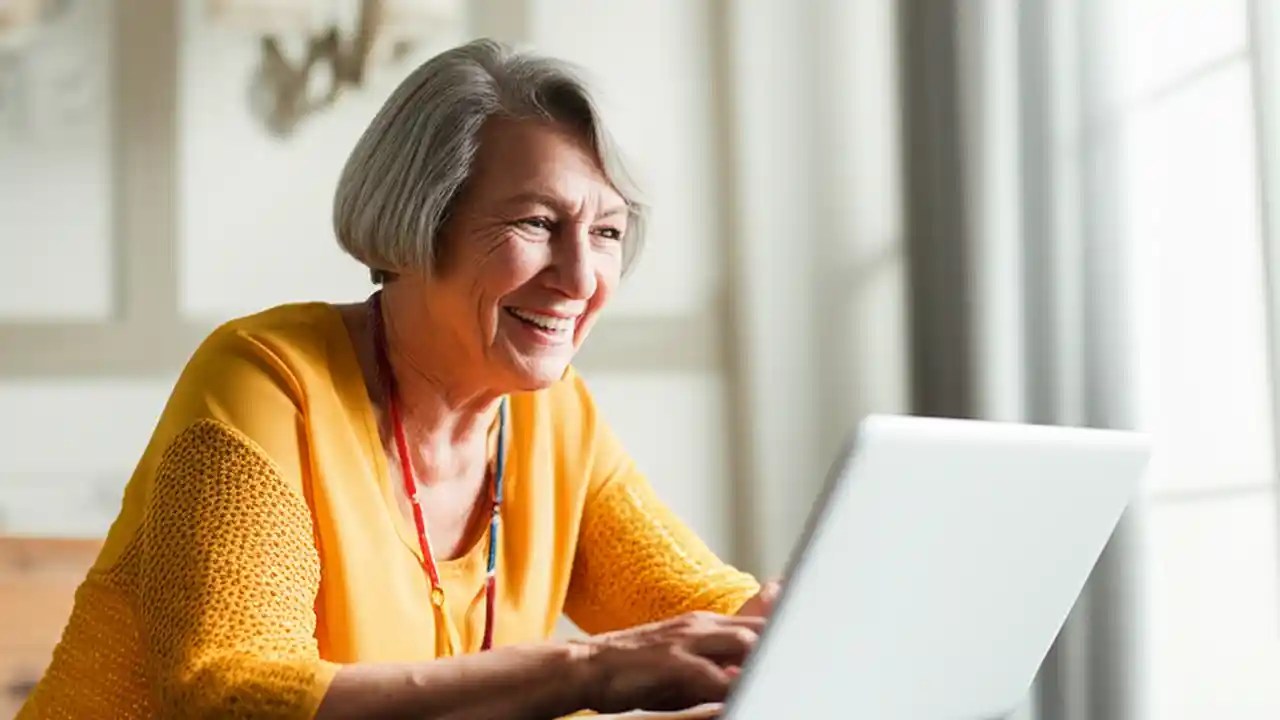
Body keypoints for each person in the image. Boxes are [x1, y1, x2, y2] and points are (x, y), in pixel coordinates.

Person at [19, 39, 780, 719]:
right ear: (420, 222)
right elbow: (232, 692)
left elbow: (706, 618)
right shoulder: (269, 382)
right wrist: (584, 671)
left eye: (607, 232)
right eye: (537, 224)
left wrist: (803, 623)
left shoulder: (552, 419)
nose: (581, 278)